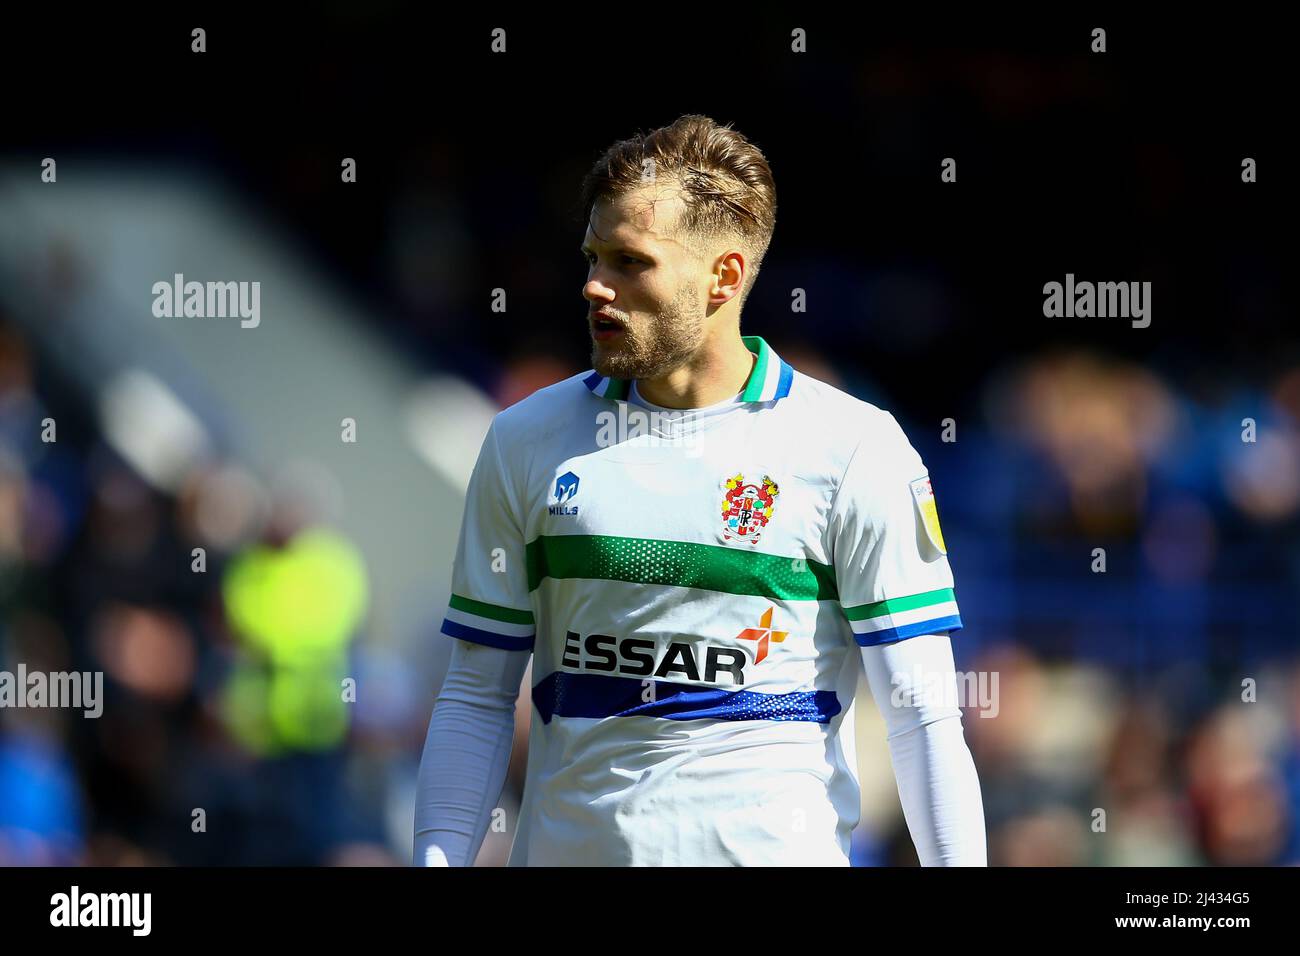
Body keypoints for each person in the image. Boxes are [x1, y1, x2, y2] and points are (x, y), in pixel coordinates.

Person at [414, 114, 986, 866]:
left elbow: (922, 717)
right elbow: (476, 695)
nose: (594, 284)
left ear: (724, 276)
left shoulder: (854, 449)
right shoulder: (525, 440)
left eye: (630, 261)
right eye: (592, 255)